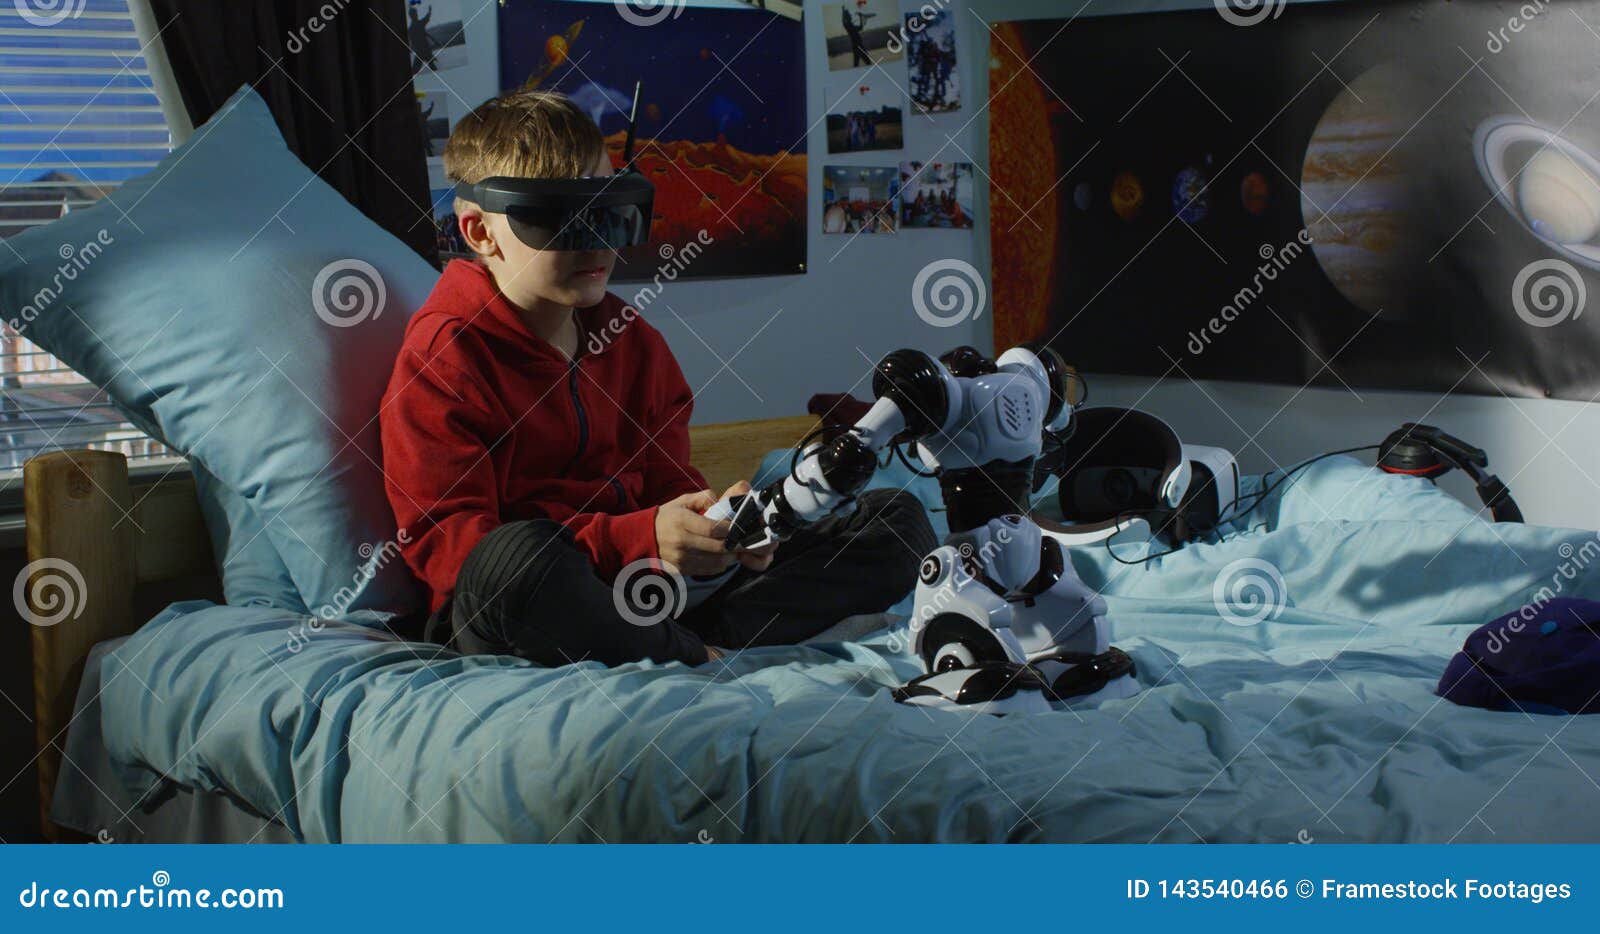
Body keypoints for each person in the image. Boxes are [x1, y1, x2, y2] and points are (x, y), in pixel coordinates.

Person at [380, 90, 934, 668]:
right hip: (532, 599)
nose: (595, 239)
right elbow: (453, 553)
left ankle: (701, 642)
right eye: (560, 218)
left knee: (895, 520)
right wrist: (636, 537)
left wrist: (716, 529)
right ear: (480, 232)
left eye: (609, 208)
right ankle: (692, 653)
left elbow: (670, 486)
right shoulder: (444, 356)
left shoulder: (633, 341)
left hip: (652, 592)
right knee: (515, 561)